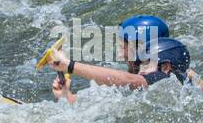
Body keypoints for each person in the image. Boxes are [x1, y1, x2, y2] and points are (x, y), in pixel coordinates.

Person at [49, 37, 193, 104]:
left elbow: (130, 80)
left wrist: (69, 65)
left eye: (145, 64)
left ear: (166, 67)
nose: (140, 72)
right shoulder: (186, 84)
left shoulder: (165, 79)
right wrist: (66, 96)